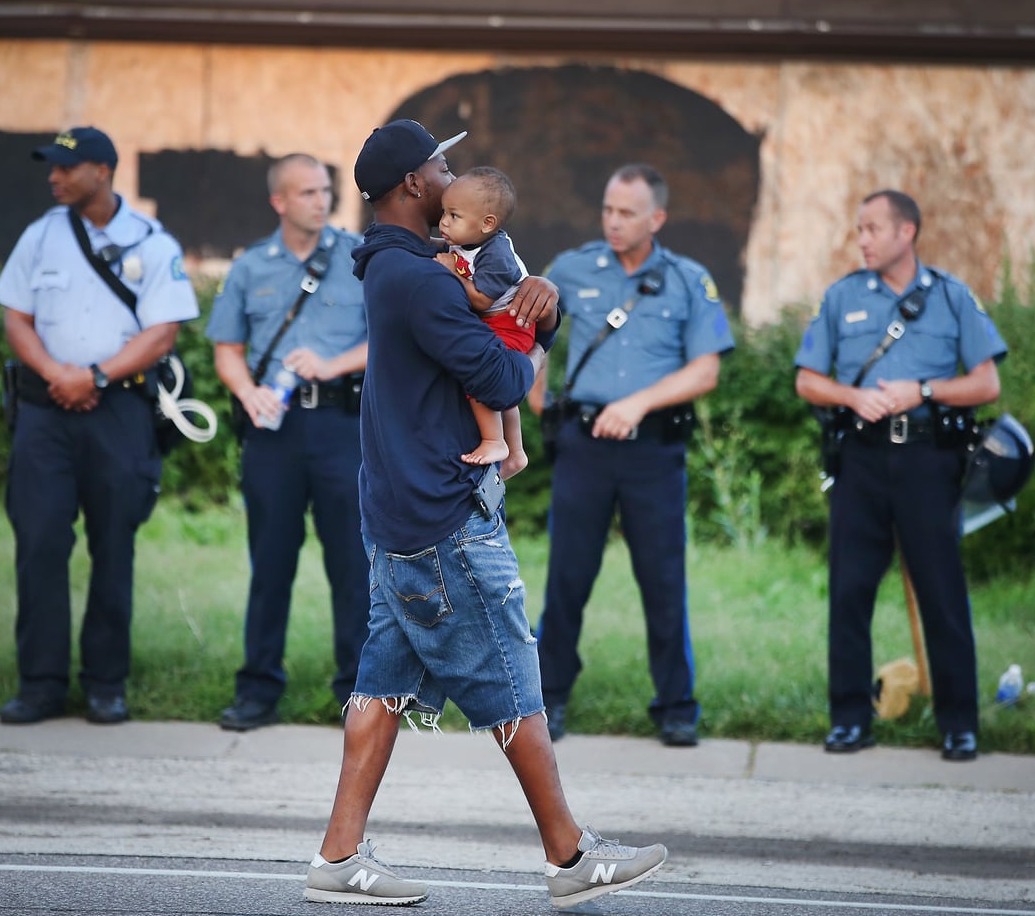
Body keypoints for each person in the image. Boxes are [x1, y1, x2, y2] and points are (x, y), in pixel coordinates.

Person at [303, 119, 666, 909]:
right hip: (442, 516)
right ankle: (570, 855)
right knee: (511, 677)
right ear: (413, 184)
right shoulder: (423, 282)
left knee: (382, 682)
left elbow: (491, 344)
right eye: (440, 162)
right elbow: (504, 381)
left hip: (398, 510)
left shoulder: (396, 266)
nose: (451, 170)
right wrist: (537, 326)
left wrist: (540, 308)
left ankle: (338, 856)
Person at [0, 126, 198, 726]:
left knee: (113, 546)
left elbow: (163, 333)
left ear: (102, 171)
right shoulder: (40, 235)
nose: (53, 177)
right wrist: (58, 373)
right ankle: (40, 684)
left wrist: (97, 377)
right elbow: (17, 319)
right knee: (39, 543)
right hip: (44, 411)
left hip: (119, 412)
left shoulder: (152, 242)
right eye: (51, 167)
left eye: (66, 167)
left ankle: (106, 684)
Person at [793, 189, 1006, 763]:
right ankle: (849, 719)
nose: (861, 239)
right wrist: (853, 397)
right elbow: (808, 380)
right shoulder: (841, 297)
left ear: (906, 232)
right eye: (859, 229)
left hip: (928, 460)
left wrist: (924, 390)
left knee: (942, 592)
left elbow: (987, 383)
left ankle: (959, 724)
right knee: (850, 591)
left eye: (872, 228)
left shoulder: (951, 297)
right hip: (860, 460)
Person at [529, 163, 734, 748]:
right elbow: (530, 335)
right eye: (608, 210)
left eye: (627, 213)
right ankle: (548, 698)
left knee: (662, 581)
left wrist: (639, 403)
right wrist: (539, 401)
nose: (613, 222)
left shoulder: (688, 281)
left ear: (657, 218)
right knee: (568, 578)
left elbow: (705, 370)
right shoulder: (572, 269)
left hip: (653, 452)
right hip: (584, 448)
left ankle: (675, 705)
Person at [207, 153, 369, 731]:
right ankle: (257, 691)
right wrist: (247, 393)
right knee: (270, 562)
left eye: (325, 190)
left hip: (341, 426)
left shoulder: (361, 257)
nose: (321, 201)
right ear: (279, 201)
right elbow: (227, 349)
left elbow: (391, 339)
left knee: (352, 563)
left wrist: (332, 365)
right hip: (272, 431)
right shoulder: (251, 266)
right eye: (307, 193)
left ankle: (359, 695)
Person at [433, 166, 533, 477]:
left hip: (512, 322)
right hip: (498, 321)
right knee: (499, 388)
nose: (444, 222)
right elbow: (447, 250)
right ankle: (516, 453)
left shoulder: (497, 255)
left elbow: (481, 300)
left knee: (481, 374)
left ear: (487, 223)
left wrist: (452, 273)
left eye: (454, 215)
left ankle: (494, 441)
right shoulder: (468, 238)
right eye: (444, 213)